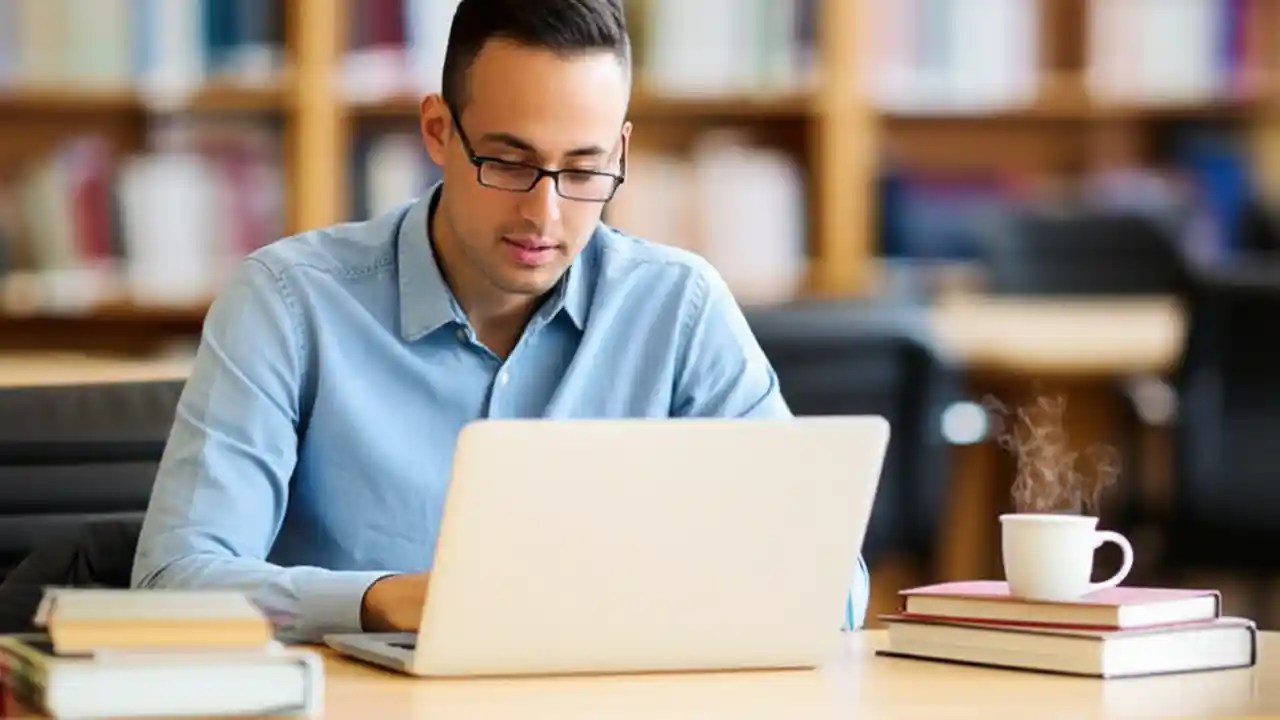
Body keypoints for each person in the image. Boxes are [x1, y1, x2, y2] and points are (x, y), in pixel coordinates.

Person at [131, 0, 870, 642]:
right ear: (437, 132)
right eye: (509, 163)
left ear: (621, 151)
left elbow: (832, 587)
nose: (544, 216)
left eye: (584, 170)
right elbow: (172, 584)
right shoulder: (289, 303)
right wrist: (384, 600)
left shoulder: (678, 309)